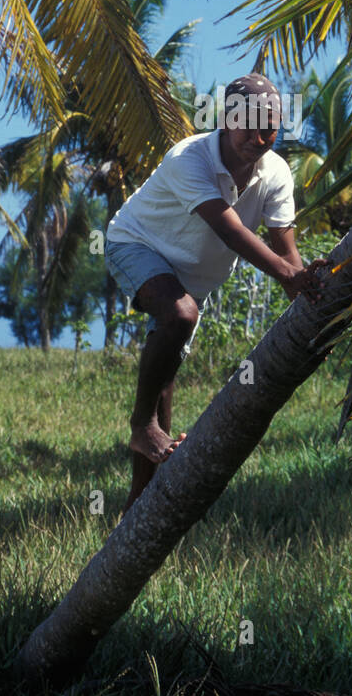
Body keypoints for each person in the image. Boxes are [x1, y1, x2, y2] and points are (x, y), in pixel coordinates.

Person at [105, 72, 327, 513]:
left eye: (271, 127)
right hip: (136, 245)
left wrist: (307, 292)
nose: (260, 137)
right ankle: (141, 426)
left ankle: (139, 503)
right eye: (250, 124)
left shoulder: (276, 172)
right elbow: (228, 229)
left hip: (193, 279)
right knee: (180, 316)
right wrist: (287, 273)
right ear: (227, 119)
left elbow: (287, 250)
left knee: (164, 373)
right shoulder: (188, 158)